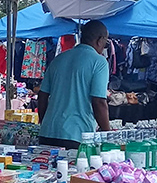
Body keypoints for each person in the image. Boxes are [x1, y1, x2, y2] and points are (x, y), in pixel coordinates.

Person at [37, 20, 111, 150]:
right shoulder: (99, 62)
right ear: (100, 40)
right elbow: (99, 101)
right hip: (76, 135)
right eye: (106, 42)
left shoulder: (59, 59)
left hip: (47, 133)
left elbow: (42, 95)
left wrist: (45, 122)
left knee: (44, 170)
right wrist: (108, 134)